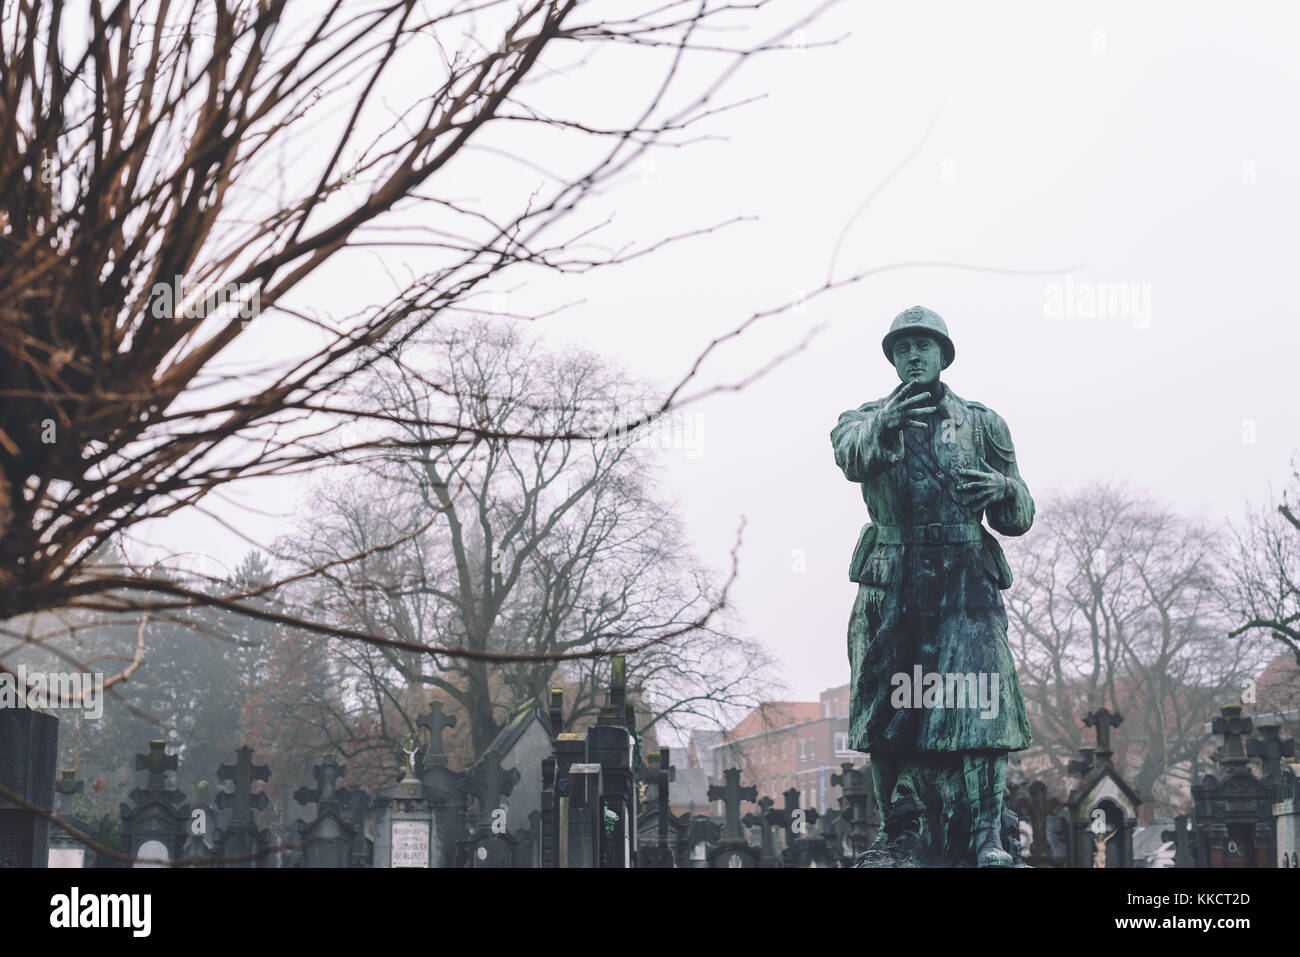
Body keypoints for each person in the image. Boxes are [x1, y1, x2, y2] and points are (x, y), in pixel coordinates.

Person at [829, 305, 1034, 867]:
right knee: (889, 709)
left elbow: (1019, 514)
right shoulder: (862, 417)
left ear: (944, 354)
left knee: (981, 703)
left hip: (965, 579)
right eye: (902, 348)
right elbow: (851, 455)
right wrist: (885, 426)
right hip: (892, 579)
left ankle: (987, 834)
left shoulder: (982, 423)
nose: (913, 355)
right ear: (892, 359)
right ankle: (899, 832)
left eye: (923, 346)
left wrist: (1001, 488)